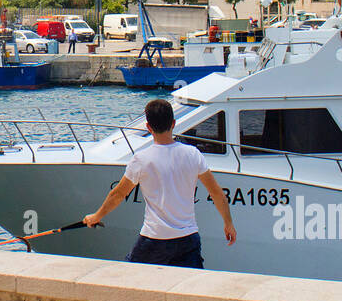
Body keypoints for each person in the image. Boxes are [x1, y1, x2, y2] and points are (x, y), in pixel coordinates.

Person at [83, 99, 236, 269]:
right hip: (188, 237)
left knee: (130, 277)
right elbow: (216, 193)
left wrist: (96, 216)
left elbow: (118, 194)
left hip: (154, 238)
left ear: (148, 127)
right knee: (188, 286)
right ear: (173, 123)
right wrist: (228, 223)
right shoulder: (193, 154)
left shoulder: (141, 159)